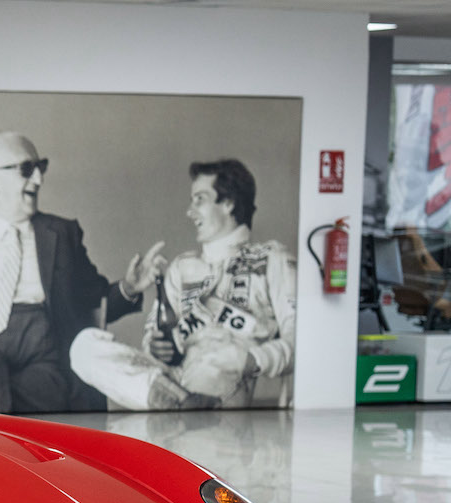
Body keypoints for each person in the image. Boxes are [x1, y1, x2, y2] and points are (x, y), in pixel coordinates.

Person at [0, 132, 163, 412]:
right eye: (26, 169)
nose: (39, 179)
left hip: (47, 359)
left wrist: (130, 288)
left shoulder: (62, 235)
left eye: (41, 167)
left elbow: (94, 301)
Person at [70, 158, 296, 410]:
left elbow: (301, 339)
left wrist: (250, 360)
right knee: (84, 346)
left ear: (229, 203)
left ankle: (181, 407)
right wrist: (155, 346)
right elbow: (153, 336)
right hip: (173, 379)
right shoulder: (181, 267)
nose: (190, 211)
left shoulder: (272, 259)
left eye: (199, 199)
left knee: (211, 367)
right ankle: (181, 404)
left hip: (224, 381)